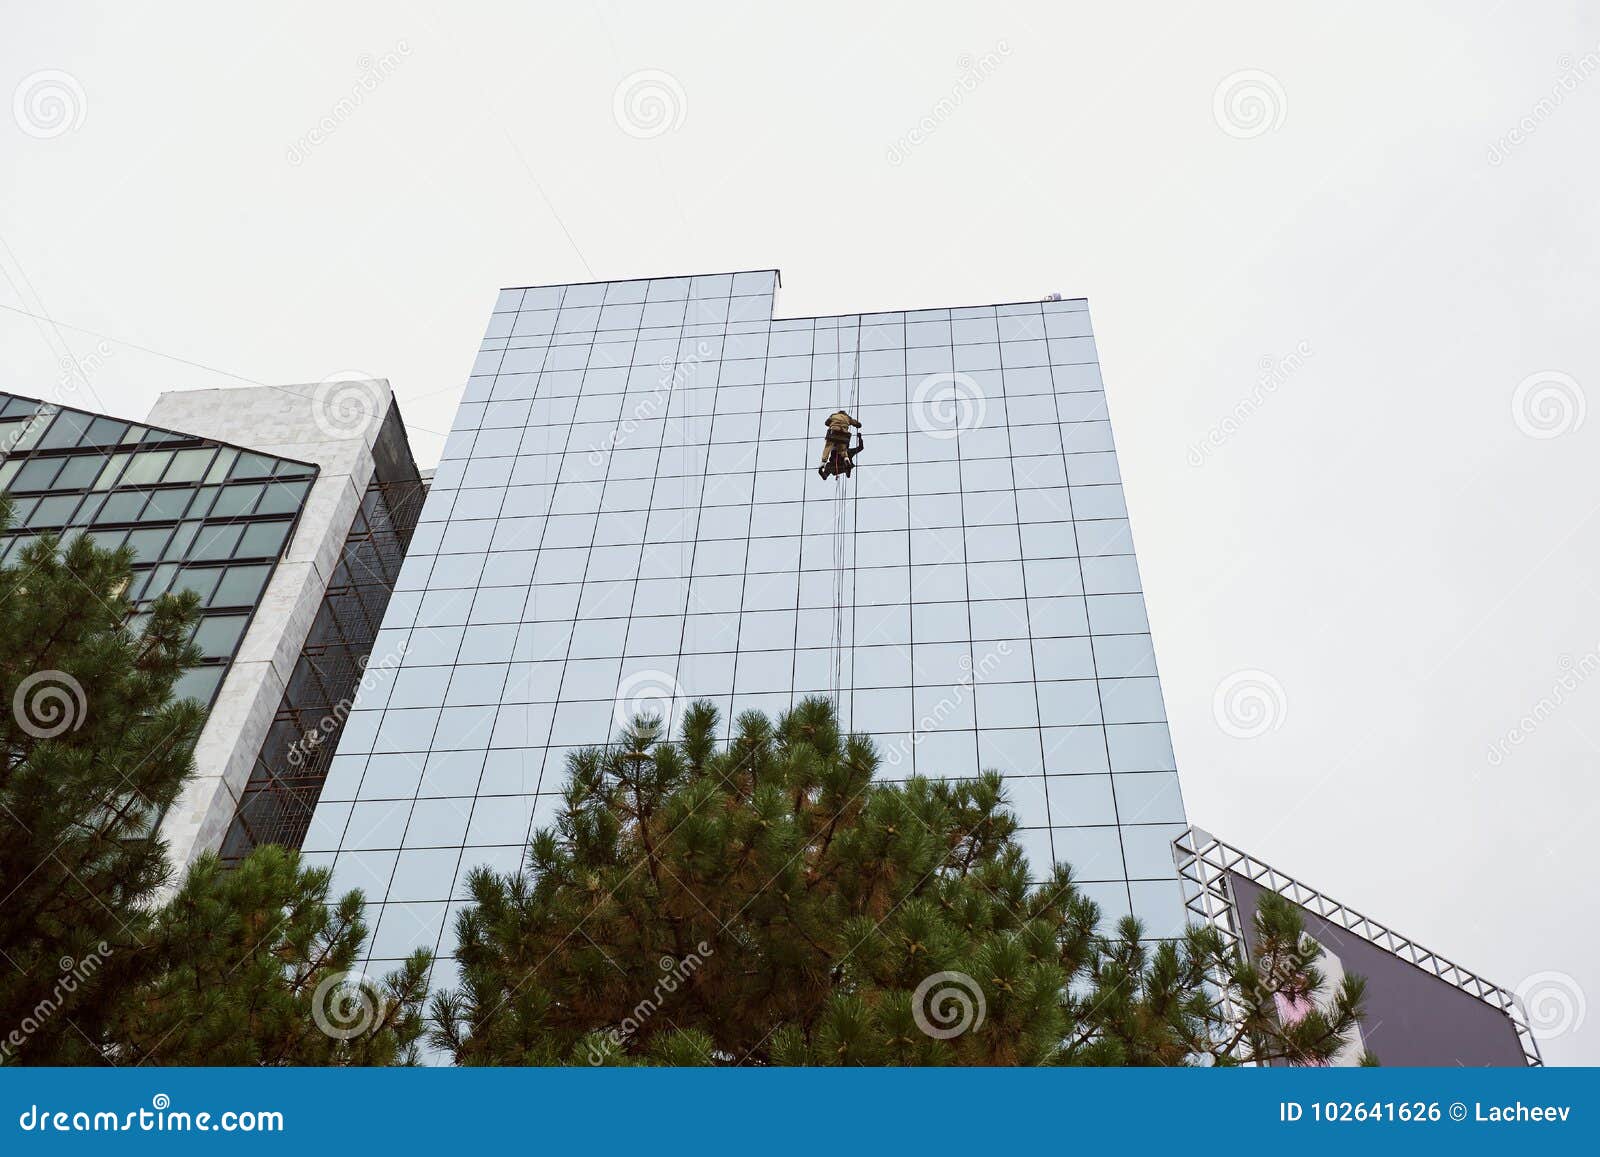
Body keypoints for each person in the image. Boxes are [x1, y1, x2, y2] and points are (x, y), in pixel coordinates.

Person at [818, 409, 864, 479]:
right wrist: (859, 437)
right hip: (844, 435)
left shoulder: (833, 415)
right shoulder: (848, 418)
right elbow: (861, 447)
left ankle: (823, 467)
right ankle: (847, 465)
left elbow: (826, 423)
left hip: (833, 433)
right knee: (843, 450)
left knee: (828, 447)